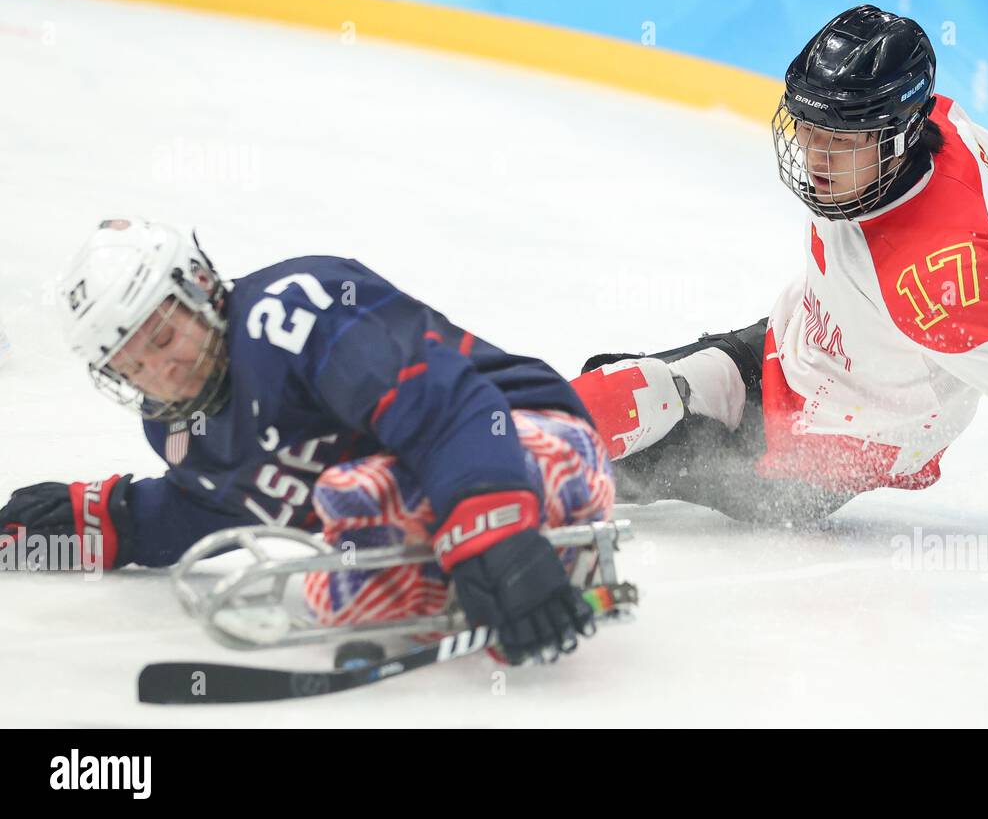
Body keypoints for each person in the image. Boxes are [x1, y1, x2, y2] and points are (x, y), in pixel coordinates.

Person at [572, 5, 988, 597]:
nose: (813, 155)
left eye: (837, 141)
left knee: (636, 426)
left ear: (895, 136)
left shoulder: (941, 285)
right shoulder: (946, 131)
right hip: (791, 348)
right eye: (808, 129)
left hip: (815, 449)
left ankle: (508, 481)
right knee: (627, 389)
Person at [0, 218, 614, 662]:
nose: (158, 375)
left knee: (358, 497)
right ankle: (482, 569)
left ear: (199, 286)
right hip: (452, 482)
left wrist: (497, 528)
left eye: (161, 340)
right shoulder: (173, 425)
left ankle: (527, 548)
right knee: (333, 591)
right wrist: (116, 522)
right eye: (130, 368)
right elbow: (225, 506)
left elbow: (443, 405)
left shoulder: (290, 314)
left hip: (526, 440)